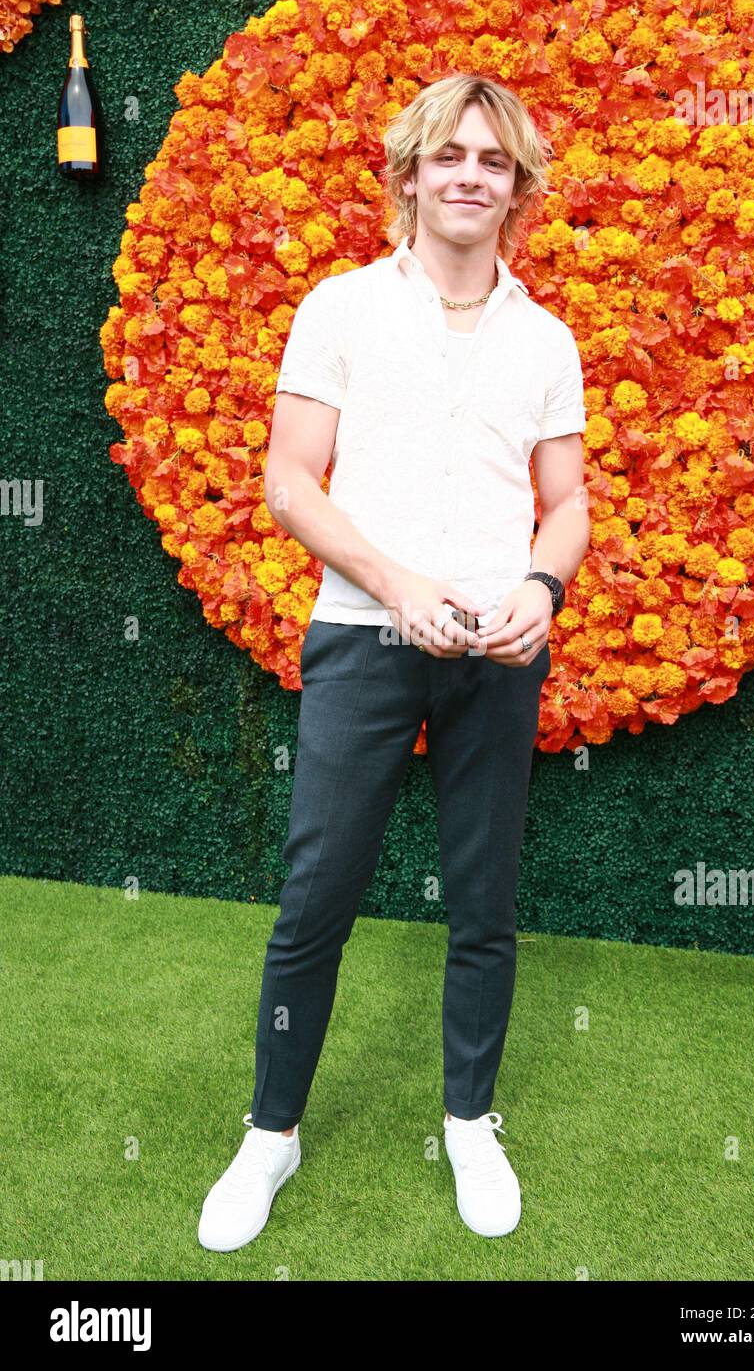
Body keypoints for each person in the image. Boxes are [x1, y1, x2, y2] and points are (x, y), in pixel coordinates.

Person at [198, 73, 589, 1252]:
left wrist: (538, 585)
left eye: (492, 160)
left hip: (495, 651)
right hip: (364, 638)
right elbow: (288, 481)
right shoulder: (340, 309)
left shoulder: (545, 337)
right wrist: (397, 584)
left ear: (515, 189)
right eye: (447, 156)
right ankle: (272, 1133)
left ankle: (468, 1118)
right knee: (315, 898)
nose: (469, 174)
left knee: (483, 904)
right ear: (408, 176)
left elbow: (565, 501)